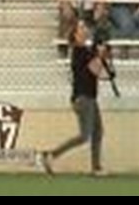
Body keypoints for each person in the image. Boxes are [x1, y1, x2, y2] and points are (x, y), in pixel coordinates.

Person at [39, 17, 110, 177]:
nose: (85, 30)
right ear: (75, 34)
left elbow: (101, 73)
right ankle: (51, 155)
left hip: (90, 96)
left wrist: (100, 54)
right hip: (83, 97)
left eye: (85, 28)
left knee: (98, 132)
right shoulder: (78, 52)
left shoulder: (87, 51)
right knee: (85, 135)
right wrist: (100, 56)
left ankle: (96, 167)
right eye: (81, 28)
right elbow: (95, 70)